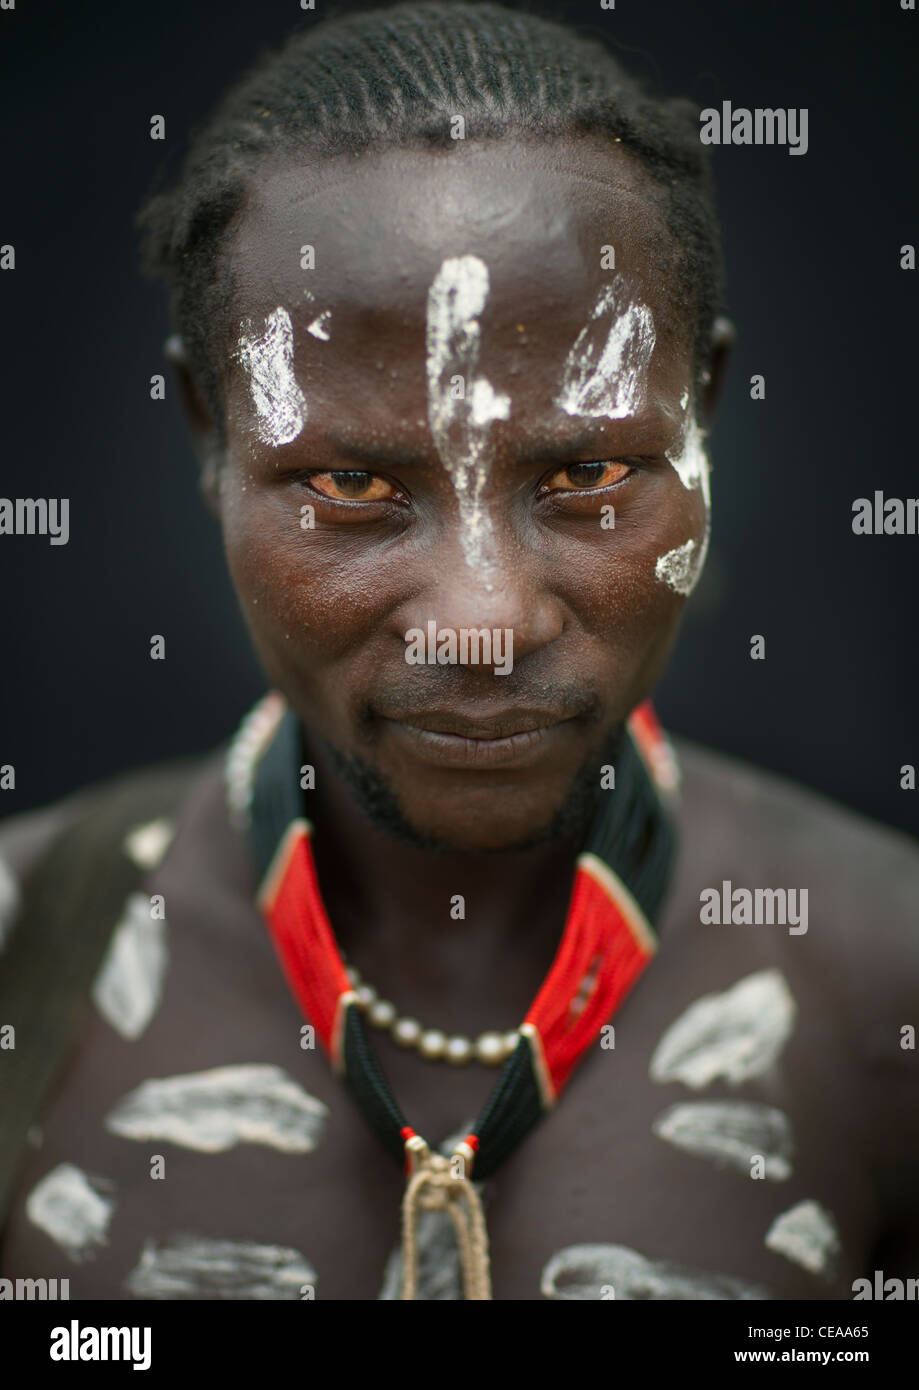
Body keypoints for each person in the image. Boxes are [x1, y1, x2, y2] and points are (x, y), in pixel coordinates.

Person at [1, 1, 917, 1302]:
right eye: (354, 487)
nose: (482, 621)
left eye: (589, 472)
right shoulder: (27, 956)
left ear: (702, 423)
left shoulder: (889, 987)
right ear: (213, 438)